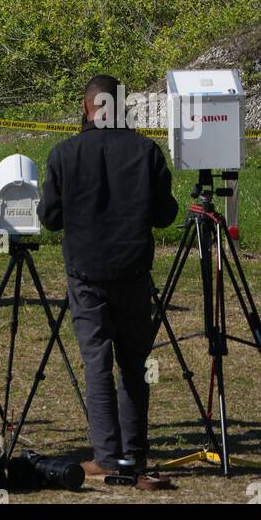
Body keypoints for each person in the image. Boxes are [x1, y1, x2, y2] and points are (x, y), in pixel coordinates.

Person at [37, 74, 178, 489]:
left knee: (96, 361)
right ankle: (133, 453)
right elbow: (165, 215)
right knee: (134, 363)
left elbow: (49, 218)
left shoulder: (64, 154)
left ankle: (106, 453)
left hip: (85, 274)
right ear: (124, 109)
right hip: (133, 274)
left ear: (86, 109)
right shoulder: (145, 151)